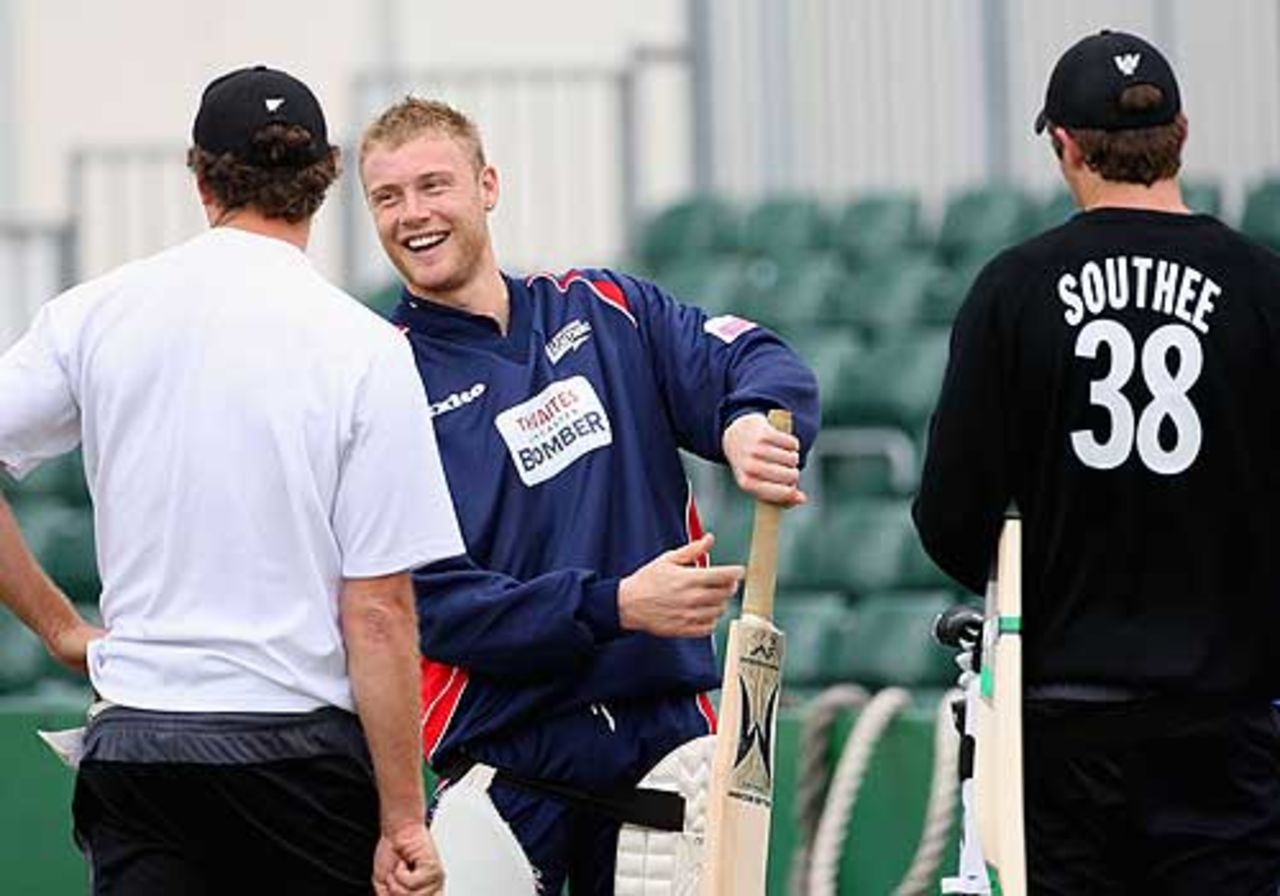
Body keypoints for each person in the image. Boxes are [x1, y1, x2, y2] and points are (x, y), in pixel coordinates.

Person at [0, 66, 462, 896]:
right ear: (325, 176)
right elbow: (381, 613)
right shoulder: (366, 350)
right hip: (300, 761)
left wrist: (59, 627)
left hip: (143, 748)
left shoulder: (97, 312)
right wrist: (402, 817)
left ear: (199, 174)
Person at [357, 97, 820, 893]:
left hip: (664, 743)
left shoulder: (605, 309)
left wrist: (746, 424)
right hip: (506, 756)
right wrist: (614, 607)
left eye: (435, 186)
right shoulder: (378, 378)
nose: (414, 215)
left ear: (487, 185)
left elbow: (756, 358)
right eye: (388, 198)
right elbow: (427, 603)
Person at [914, 29, 1280, 894]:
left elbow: (949, 520)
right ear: (1181, 135)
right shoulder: (1265, 289)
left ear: (1064, 146)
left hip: (1064, 735)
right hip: (1227, 729)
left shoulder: (1014, 289)